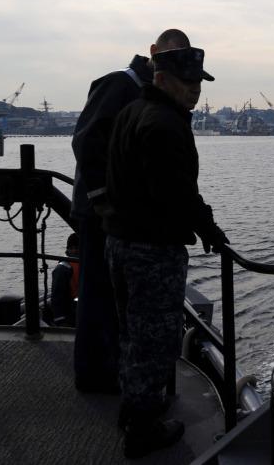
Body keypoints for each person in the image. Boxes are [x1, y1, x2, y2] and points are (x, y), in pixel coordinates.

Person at [104, 45, 229, 458]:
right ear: (161, 79)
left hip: (121, 242)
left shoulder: (132, 113)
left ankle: (132, 409)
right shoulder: (163, 124)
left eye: (198, 82)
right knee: (155, 341)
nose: (195, 89)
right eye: (188, 81)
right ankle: (143, 429)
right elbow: (176, 193)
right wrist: (209, 229)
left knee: (131, 334)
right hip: (152, 250)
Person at [70, 28, 188, 394]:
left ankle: (115, 375)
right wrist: (103, 201)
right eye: (170, 57)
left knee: (118, 300)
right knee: (99, 297)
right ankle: (97, 377)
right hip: (103, 213)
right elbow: (87, 141)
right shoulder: (120, 84)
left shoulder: (146, 93)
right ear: (153, 53)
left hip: (120, 215)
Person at [50, 233, 80, 327]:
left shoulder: (88, 264)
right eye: (71, 248)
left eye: (76, 248)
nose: (74, 251)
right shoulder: (62, 269)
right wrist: (60, 320)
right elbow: (57, 296)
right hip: (71, 312)